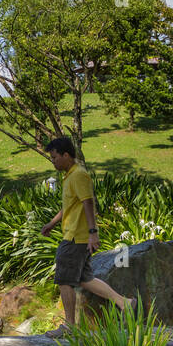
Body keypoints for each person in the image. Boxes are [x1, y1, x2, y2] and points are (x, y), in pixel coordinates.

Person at [38, 138, 135, 329]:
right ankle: (125, 303)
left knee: (63, 279)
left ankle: (69, 326)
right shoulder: (69, 176)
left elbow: (88, 203)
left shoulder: (79, 175)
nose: (53, 161)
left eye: (55, 157)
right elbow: (69, 206)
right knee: (84, 279)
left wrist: (93, 233)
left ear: (66, 155)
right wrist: (51, 224)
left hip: (76, 237)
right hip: (73, 235)